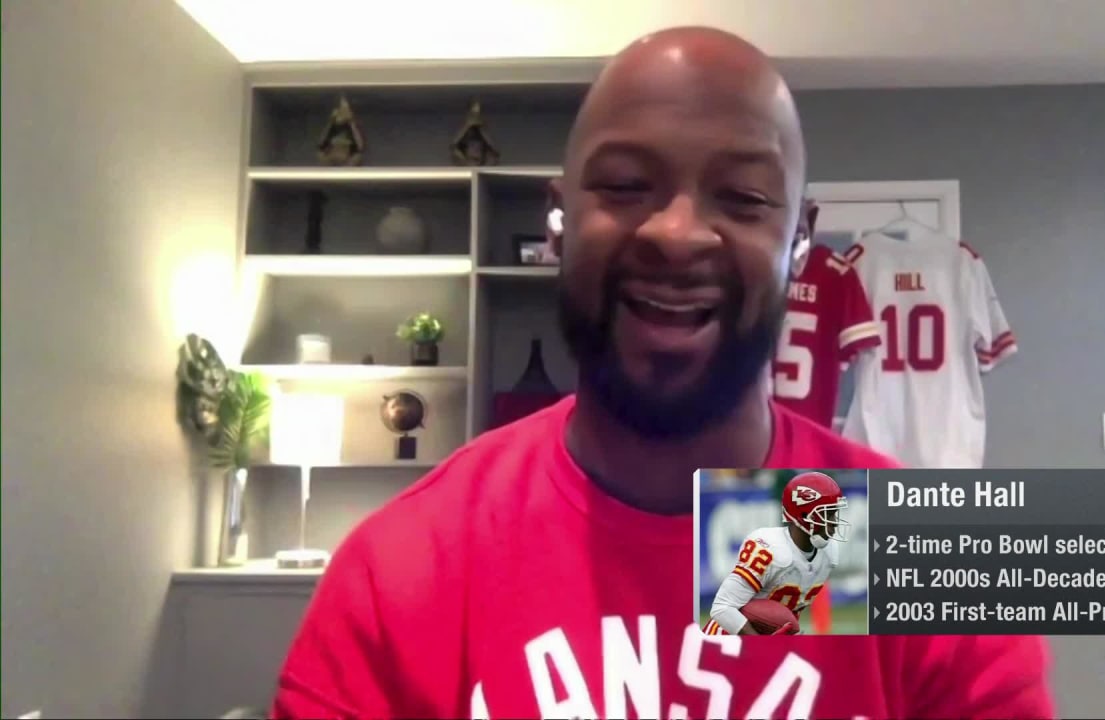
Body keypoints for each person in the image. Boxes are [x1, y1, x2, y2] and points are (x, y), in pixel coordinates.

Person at [271, 26, 1055, 719]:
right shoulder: (413, 564)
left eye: (743, 196)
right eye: (623, 186)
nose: (678, 235)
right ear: (559, 225)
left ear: (799, 243)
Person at [703, 472, 847, 636]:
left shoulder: (829, 553)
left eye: (835, 513)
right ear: (804, 516)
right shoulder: (770, 548)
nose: (835, 522)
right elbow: (722, 607)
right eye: (827, 514)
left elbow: (787, 614)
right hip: (724, 643)